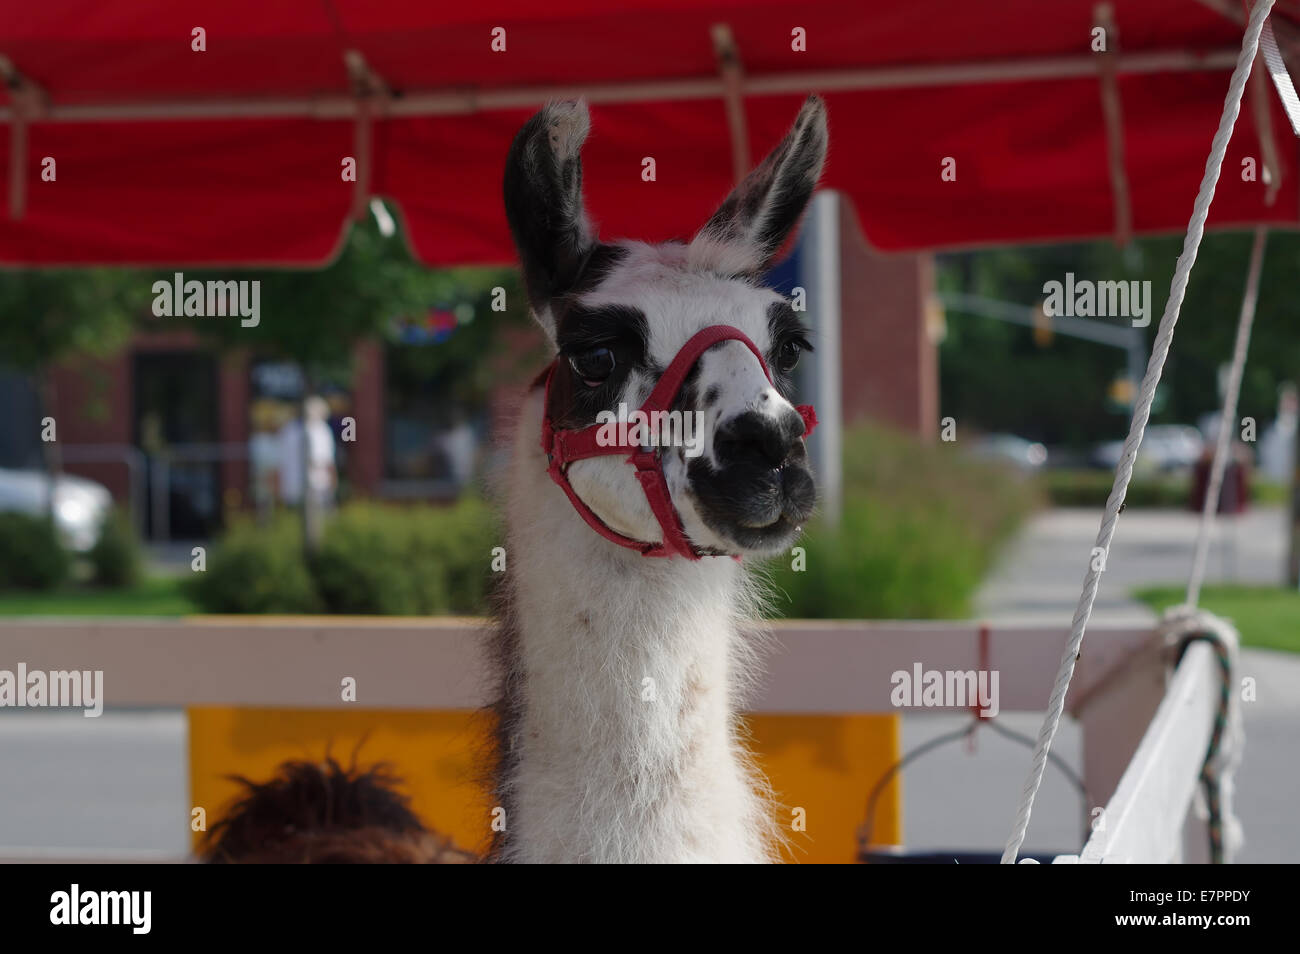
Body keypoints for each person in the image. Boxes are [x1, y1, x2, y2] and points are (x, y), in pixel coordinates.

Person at [276, 396, 337, 509]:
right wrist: (333, 482)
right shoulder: (320, 430)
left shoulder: (288, 429)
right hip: (316, 486)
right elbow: (324, 460)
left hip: (291, 487)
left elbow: (280, 462)